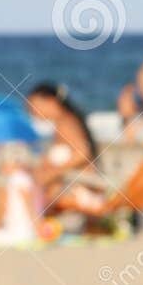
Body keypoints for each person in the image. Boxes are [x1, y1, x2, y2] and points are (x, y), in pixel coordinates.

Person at [25, 83, 100, 211]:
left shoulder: (65, 123)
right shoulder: (65, 122)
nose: (32, 113)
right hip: (72, 192)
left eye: (34, 107)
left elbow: (83, 153)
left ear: (50, 101)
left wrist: (54, 173)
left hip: (77, 195)